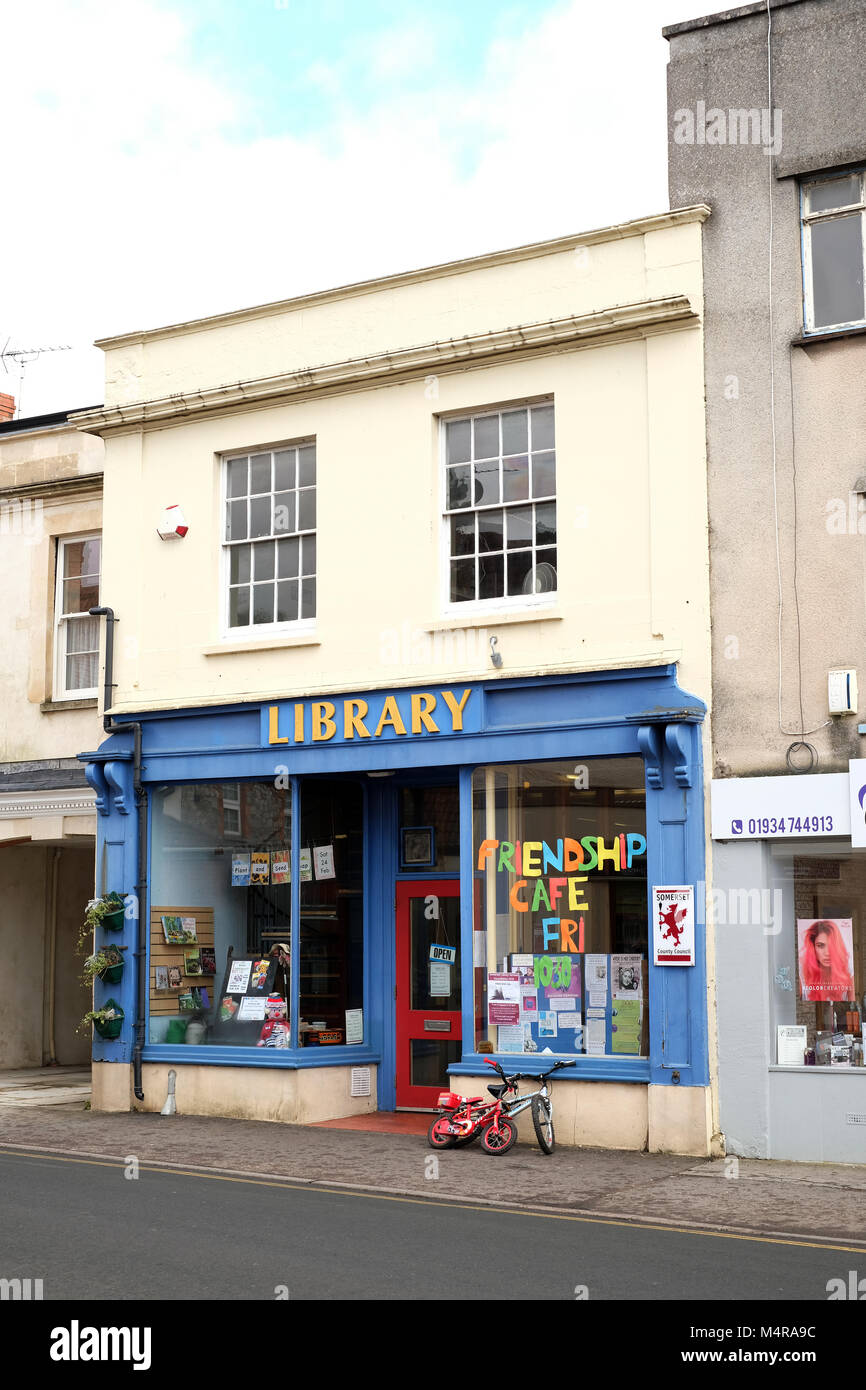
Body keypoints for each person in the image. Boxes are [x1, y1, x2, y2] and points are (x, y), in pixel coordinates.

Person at [799, 920, 855, 1002]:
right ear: (813, 947)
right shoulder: (802, 971)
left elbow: (852, 1004)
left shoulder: (847, 969)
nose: (827, 953)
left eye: (832, 946)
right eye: (820, 946)